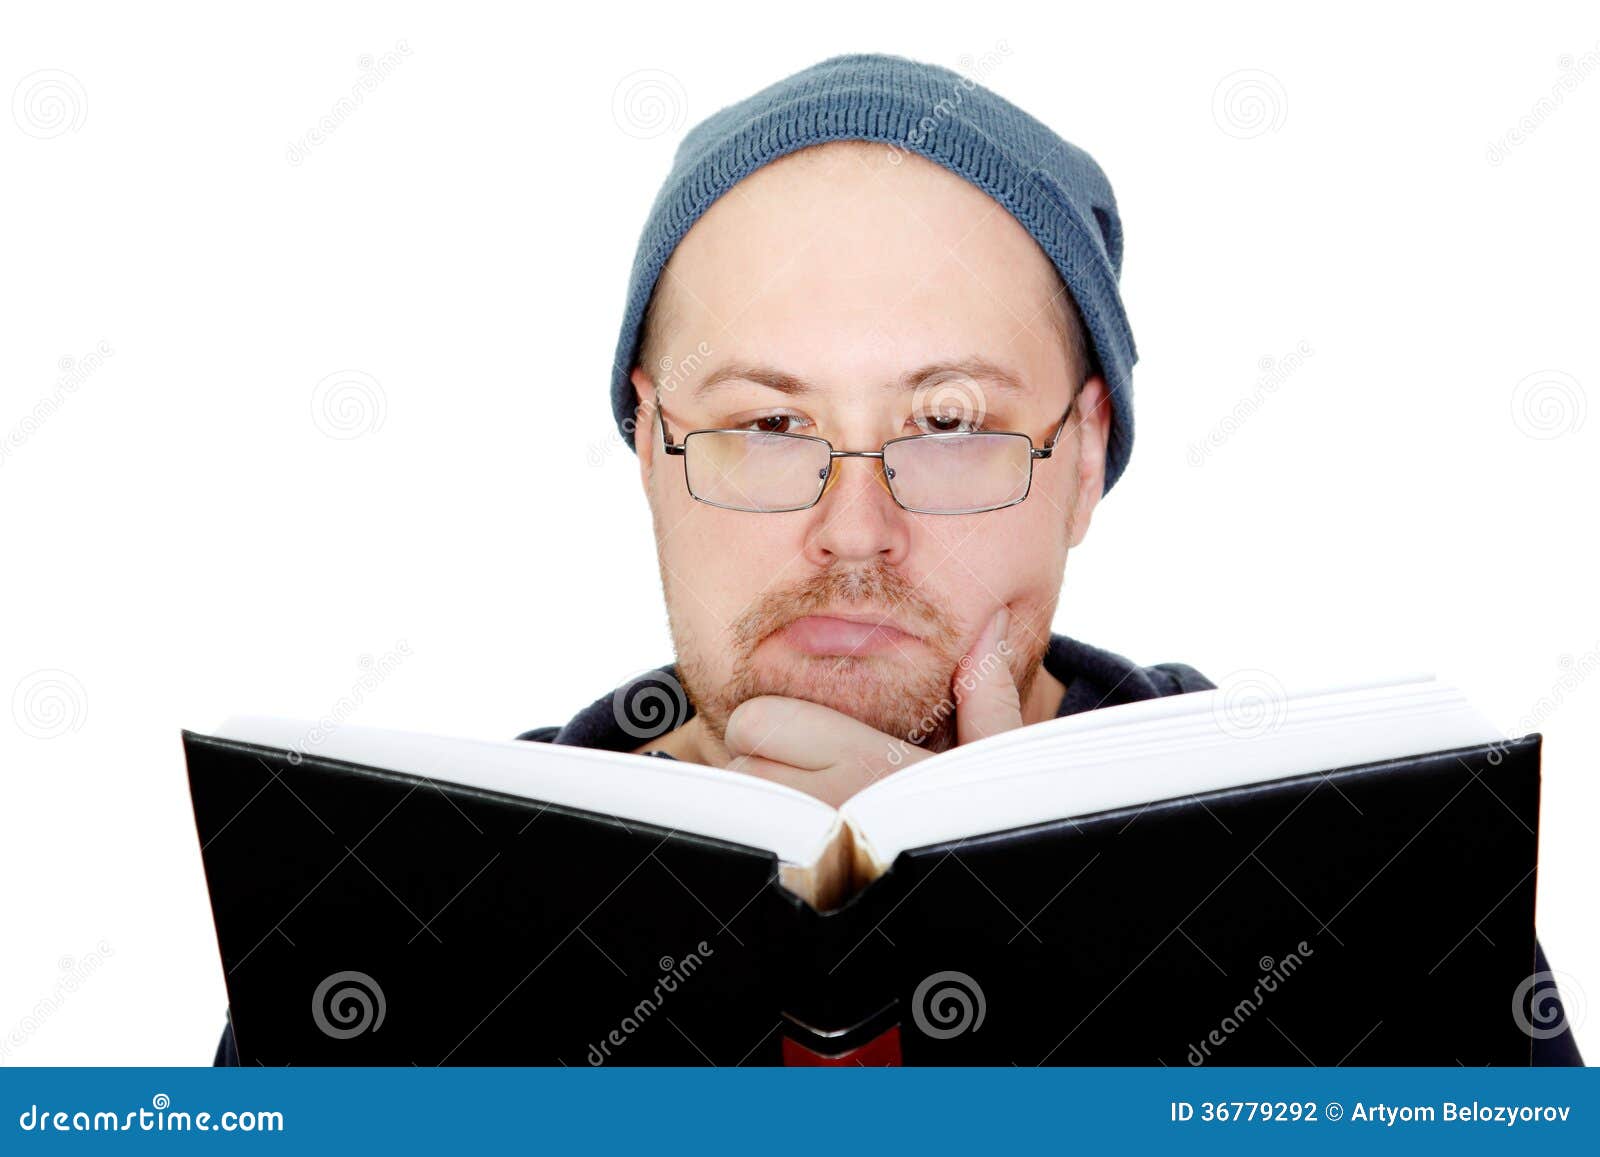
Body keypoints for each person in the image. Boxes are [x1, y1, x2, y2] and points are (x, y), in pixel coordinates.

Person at [215, 52, 1581, 1066]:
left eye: (949, 425)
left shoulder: (1351, 883)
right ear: (648, 443)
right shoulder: (416, 898)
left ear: (1084, 454)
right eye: (764, 421)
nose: (854, 532)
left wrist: (1045, 958)